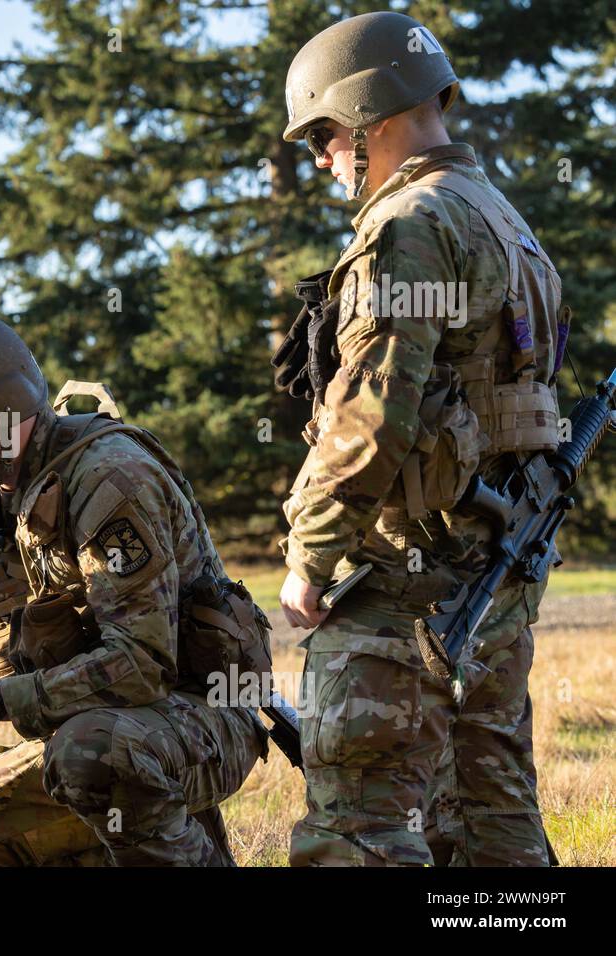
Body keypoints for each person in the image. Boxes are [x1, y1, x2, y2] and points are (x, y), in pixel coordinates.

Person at [275, 11, 564, 866]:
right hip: (496, 559)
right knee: (487, 810)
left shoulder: (411, 224)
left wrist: (310, 556)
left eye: (324, 134)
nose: (322, 157)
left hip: (413, 577)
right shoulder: (504, 218)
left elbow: (371, 417)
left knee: (354, 823)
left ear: (370, 118)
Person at [0, 313, 270, 866]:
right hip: (67, 733)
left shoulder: (109, 479)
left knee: (93, 755)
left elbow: (141, 665)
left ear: (8, 415)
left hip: (194, 713)